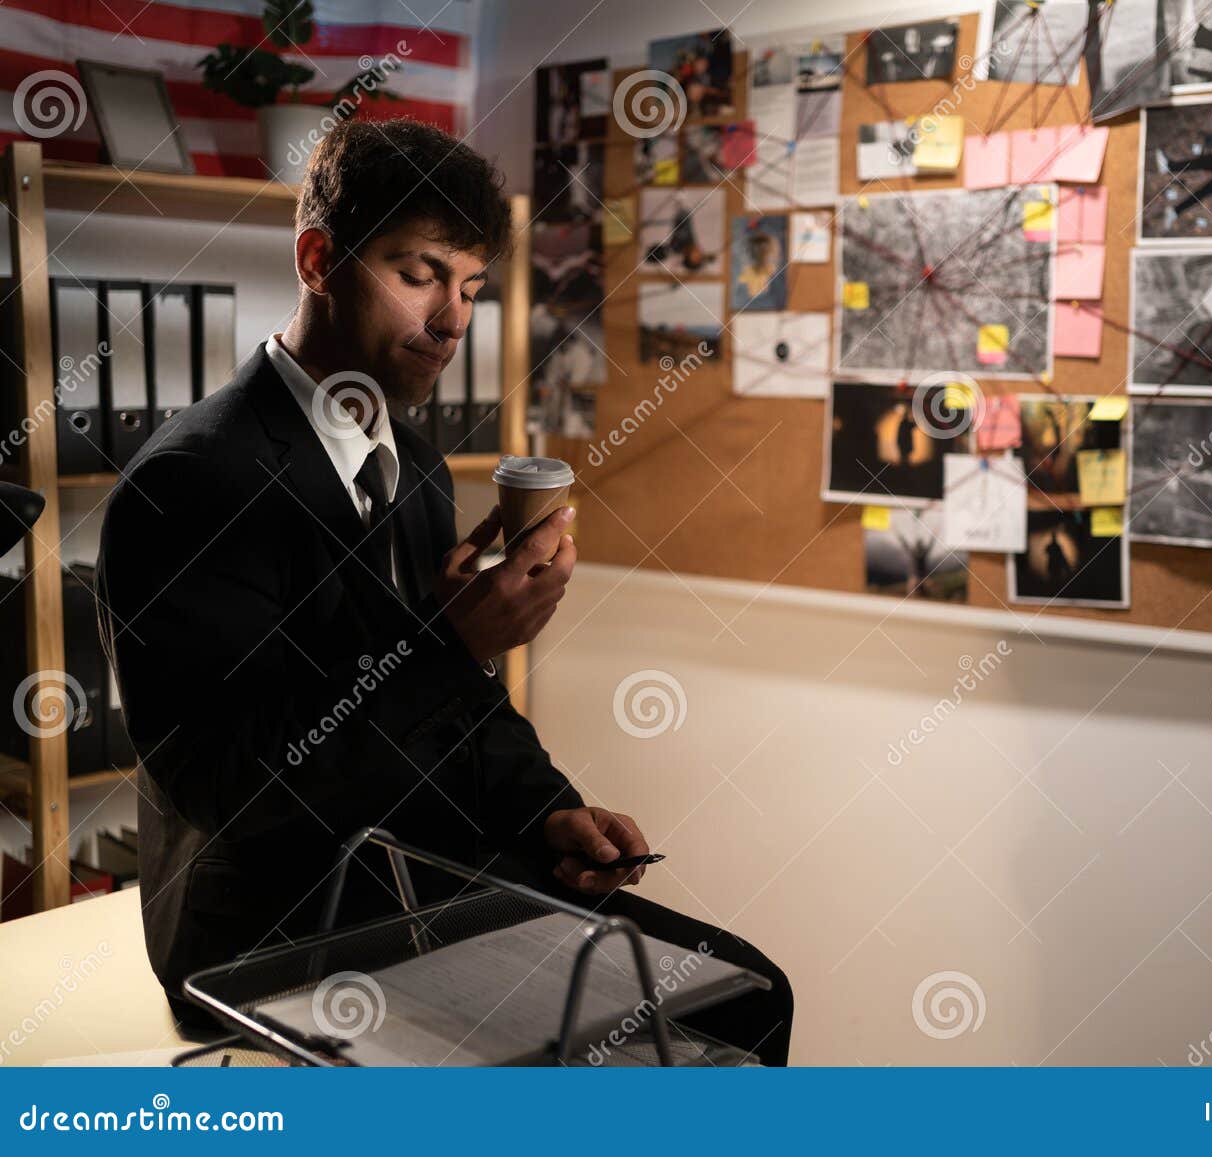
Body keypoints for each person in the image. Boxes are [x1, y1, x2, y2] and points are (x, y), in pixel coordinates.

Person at [95, 117, 791, 1066]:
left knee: (745, 995)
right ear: (317, 259)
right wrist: (450, 643)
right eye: (418, 273)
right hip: (273, 925)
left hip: (415, 868)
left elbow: (455, 711)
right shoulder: (190, 483)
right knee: (685, 1026)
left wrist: (546, 809)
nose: (454, 321)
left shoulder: (414, 467)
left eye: (469, 287)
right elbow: (233, 791)